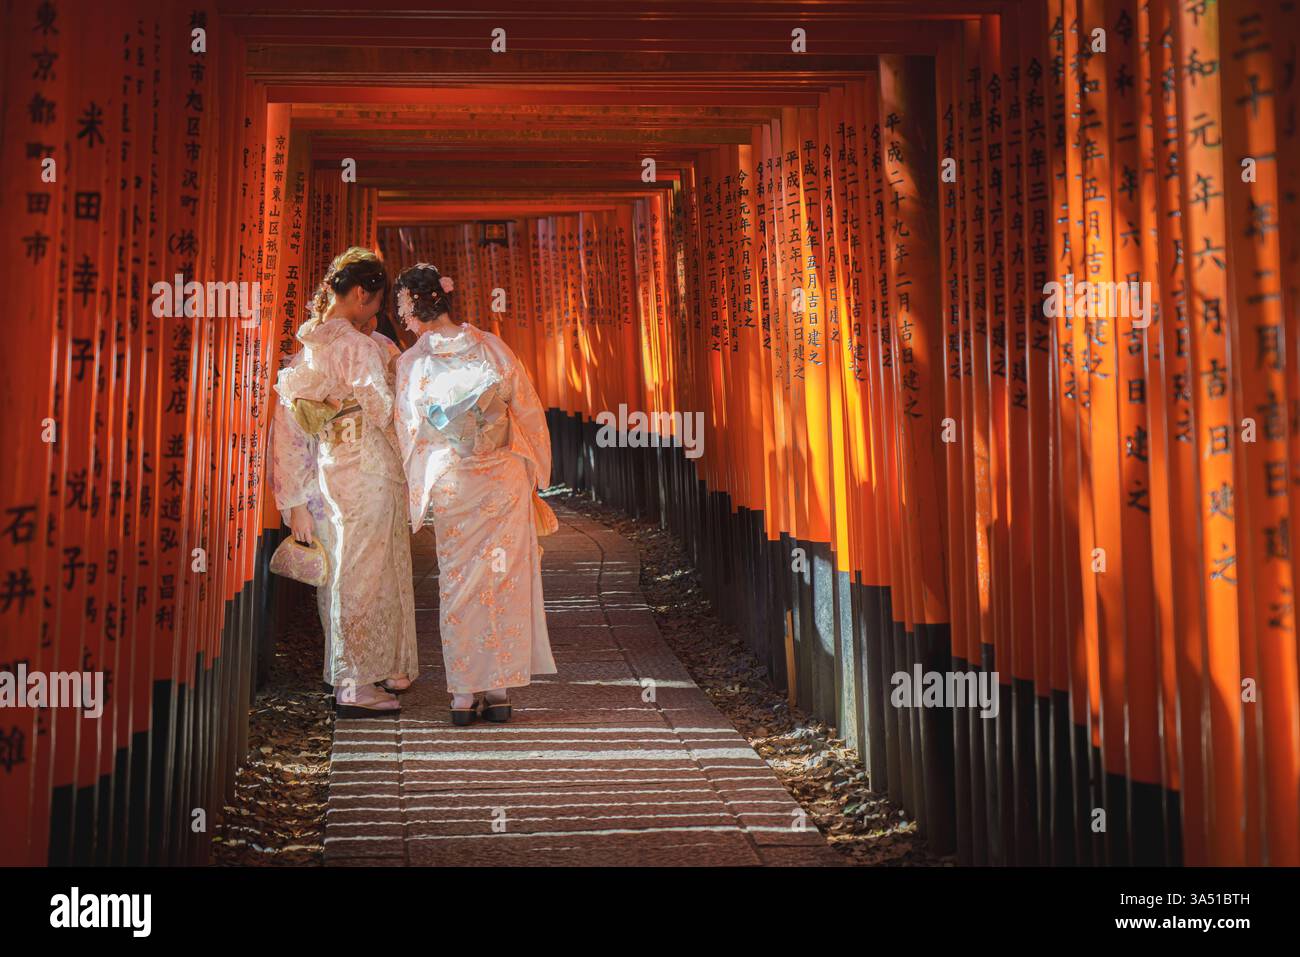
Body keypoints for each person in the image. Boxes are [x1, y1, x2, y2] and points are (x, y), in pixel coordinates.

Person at [392, 262, 555, 725]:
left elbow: (409, 428)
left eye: (403, 307)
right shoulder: (491, 347)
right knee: (503, 579)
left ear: (418, 305)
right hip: (501, 475)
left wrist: (418, 483)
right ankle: (499, 690)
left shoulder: (414, 364)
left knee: (459, 583)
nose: (402, 318)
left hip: (453, 478)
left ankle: (464, 694)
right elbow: (525, 407)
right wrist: (534, 466)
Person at [269, 247, 418, 716]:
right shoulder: (357, 347)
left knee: (344, 574)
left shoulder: (310, 344)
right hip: (370, 468)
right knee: (366, 576)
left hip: (332, 471)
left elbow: (289, 433)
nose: (375, 313)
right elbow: (382, 408)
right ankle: (353, 684)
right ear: (359, 294)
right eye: (374, 304)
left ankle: (363, 671)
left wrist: (293, 499)